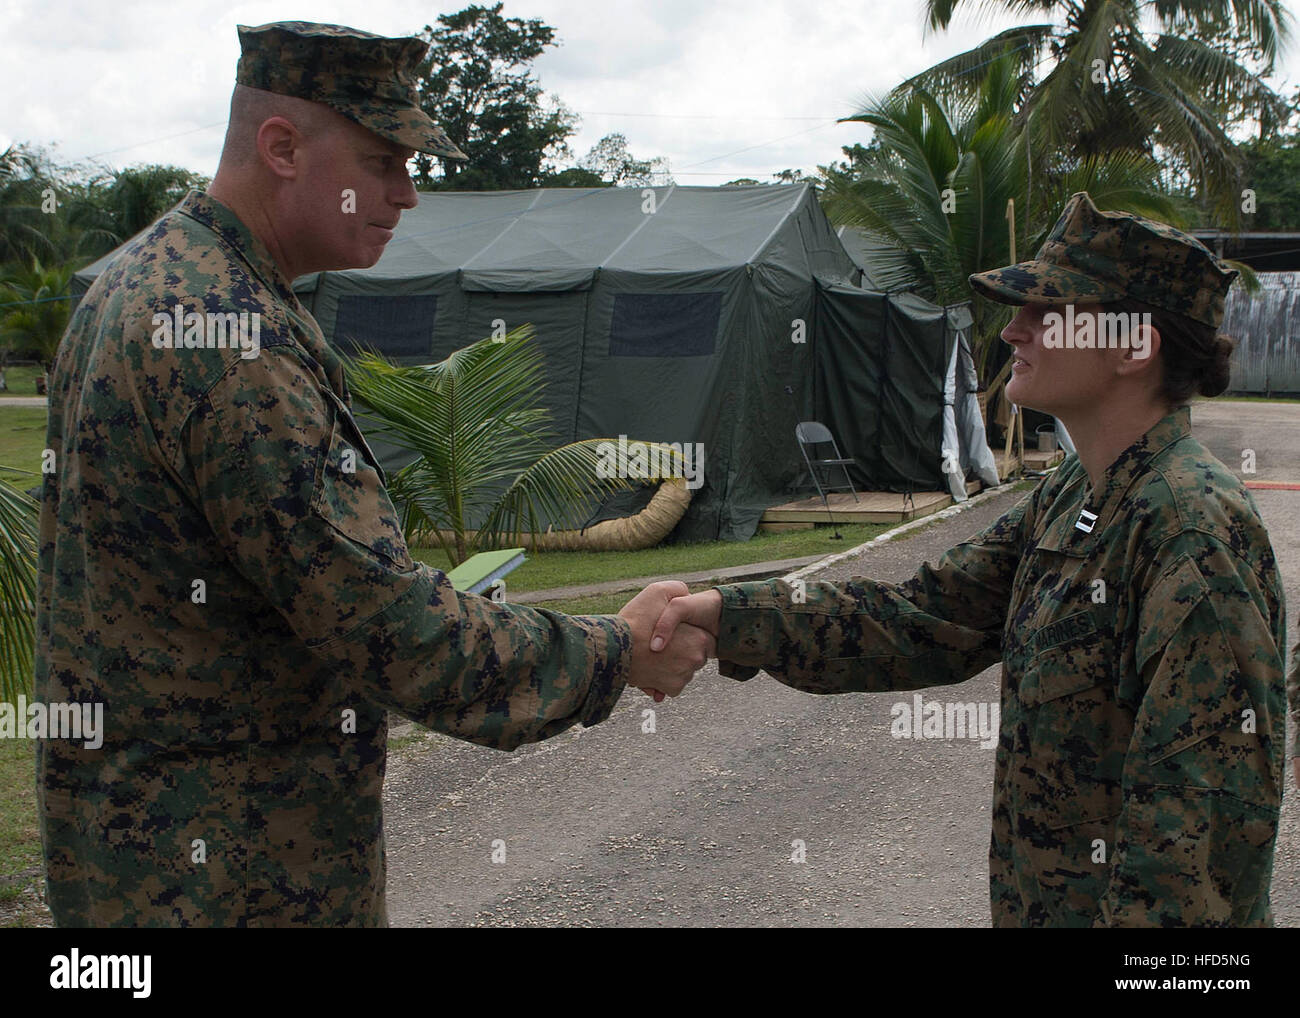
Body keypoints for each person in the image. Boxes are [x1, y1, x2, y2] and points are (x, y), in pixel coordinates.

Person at [35, 21, 711, 928]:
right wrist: (615, 651)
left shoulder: (141, 281)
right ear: (281, 147)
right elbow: (388, 629)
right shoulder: (232, 338)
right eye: (384, 160)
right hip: (233, 874)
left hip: (134, 854)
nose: (408, 194)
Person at [653, 192, 1293, 927]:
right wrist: (730, 615)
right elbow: (921, 618)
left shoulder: (1190, 531)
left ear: (1132, 346)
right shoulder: (1078, 491)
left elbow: (1198, 851)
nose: (1013, 329)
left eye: (1047, 313)